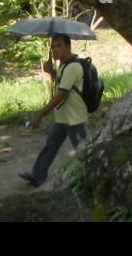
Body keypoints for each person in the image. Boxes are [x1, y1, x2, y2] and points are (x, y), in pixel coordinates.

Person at [19, 34, 87, 187]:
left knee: (83, 149)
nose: (55, 50)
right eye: (53, 46)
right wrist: (51, 72)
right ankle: (37, 176)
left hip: (74, 117)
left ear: (68, 47)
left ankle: (91, 176)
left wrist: (40, 114)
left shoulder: (73, 67)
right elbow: (62, 83)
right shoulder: (64, 65)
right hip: (64, 116)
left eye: (59, 46)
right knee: (51, 144)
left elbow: (62, 94)